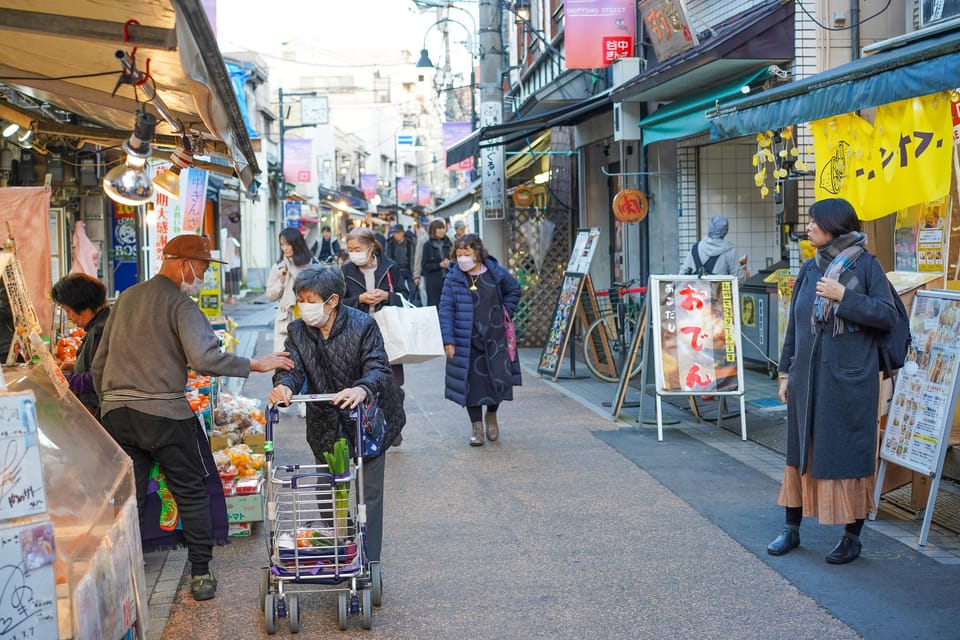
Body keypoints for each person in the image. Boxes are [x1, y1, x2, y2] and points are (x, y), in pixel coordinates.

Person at [92, 234, 295, 601]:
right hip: (164, 415)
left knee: (129, 497)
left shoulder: (127, 298)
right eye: (202, 267)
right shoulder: (180, 304)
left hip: (117, 414)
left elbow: (98, 363)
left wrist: (109, 403)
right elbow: (205, 359)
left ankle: (125, 577)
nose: (203, 275)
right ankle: (200, 572)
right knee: (193, 489)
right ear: (183, 263)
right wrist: (256, 363)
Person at [767, 198, 897, 565]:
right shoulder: (810, 268)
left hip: (850, 380)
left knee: (848, 454)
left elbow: (887, 316)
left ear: (835, 226)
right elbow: (794, 326)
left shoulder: (867, 265)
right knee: (800, 452)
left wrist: (845, 297)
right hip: (807, 380)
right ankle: (791, 527)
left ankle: (852, 536)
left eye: (814, 221)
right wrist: (785, 372)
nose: (808, 227)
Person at [268, 266, 405, 568]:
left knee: (369, 494)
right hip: (325, 422)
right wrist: (284, 386)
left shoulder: (363, 325)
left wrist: (361, 388)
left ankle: (369, 562)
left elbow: (378, 368)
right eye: (301, 300)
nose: (304, 307)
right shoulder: (298, 331)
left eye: (311, 301)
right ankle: (344, 546)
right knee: (327, 491)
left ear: (332, 301)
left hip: (367, 418)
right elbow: (292, 370)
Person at [438, 233, 521, 446]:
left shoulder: (495, 272)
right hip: (466, 340)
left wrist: (505, 311)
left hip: (496, 339)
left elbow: (514, 290)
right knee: (471, 385)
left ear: (478, 252)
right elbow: (445, 308)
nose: (463, 257)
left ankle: (491, 415)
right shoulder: (453, 278)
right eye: (459, 254)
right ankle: (477, 428)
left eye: (467, 253)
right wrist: (448, 340)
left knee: (497, 380)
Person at [342, 227, 409, 445]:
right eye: (350, 249)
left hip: (389, 332)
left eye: (357, 248)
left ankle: (393, 424)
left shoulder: (390, 267)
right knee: (363, 383)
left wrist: (387, 296)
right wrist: (359, 299)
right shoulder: (345, 271)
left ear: (371, 247)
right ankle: (373, 427)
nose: (353, 253)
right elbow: (338, 303)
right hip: (358, 334)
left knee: (394, 385)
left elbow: (406, 296)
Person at [51, 273, 110, 417]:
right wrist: (76, 366)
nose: (69, 317)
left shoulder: (100, 330)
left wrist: (62, 381)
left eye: (68, 311)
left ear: (82, 305)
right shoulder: (102, 323)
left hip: (99, 411)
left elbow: (97, 378)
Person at [266, 228, 317, 353]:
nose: (285, 248)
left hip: (308, 316)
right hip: (286, 319)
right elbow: (270, 296)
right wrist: (281, 282)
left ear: (297, 244)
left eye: (288, 244)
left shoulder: (312, 264)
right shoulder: (279, 266)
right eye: (282, 244)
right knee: (283, 358)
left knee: (309, 356)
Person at [681, 215, 747, 282]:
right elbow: (739, 279)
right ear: (726, 231)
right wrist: (745, 276)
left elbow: (682, 275)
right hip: (719, 288)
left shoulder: (694, 248)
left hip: (696, 288)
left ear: (710, 227)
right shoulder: (729, 250)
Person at [421, 219, 452, 306]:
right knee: (435, 305)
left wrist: (450, 262)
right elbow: (425, 266)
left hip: (448, 279)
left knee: (449, 304)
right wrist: (439, 265)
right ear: (433, 230)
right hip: (433, 281)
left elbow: (455, 258)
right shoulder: (427, 245)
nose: (442, 231)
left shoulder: (449, 242)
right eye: (439, 228)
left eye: (443, 228)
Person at [385, 223, 415, 302]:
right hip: (396, 269)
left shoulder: (410, 241)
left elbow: (413, 256)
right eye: (394, 233)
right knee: (399, 289)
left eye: (398, 232)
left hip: (409, 269)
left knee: (412, 289)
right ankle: (401, 303)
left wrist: (415, 272)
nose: (396, 235)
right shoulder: (390, 242)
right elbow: (387, 256)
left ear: (403, 233)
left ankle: (411, 303)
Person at [412, 219, 429, 305]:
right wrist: (416, 275)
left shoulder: (446, 239)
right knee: (424, 291)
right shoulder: (423, 239)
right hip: (424, 272)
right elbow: (418, 258)